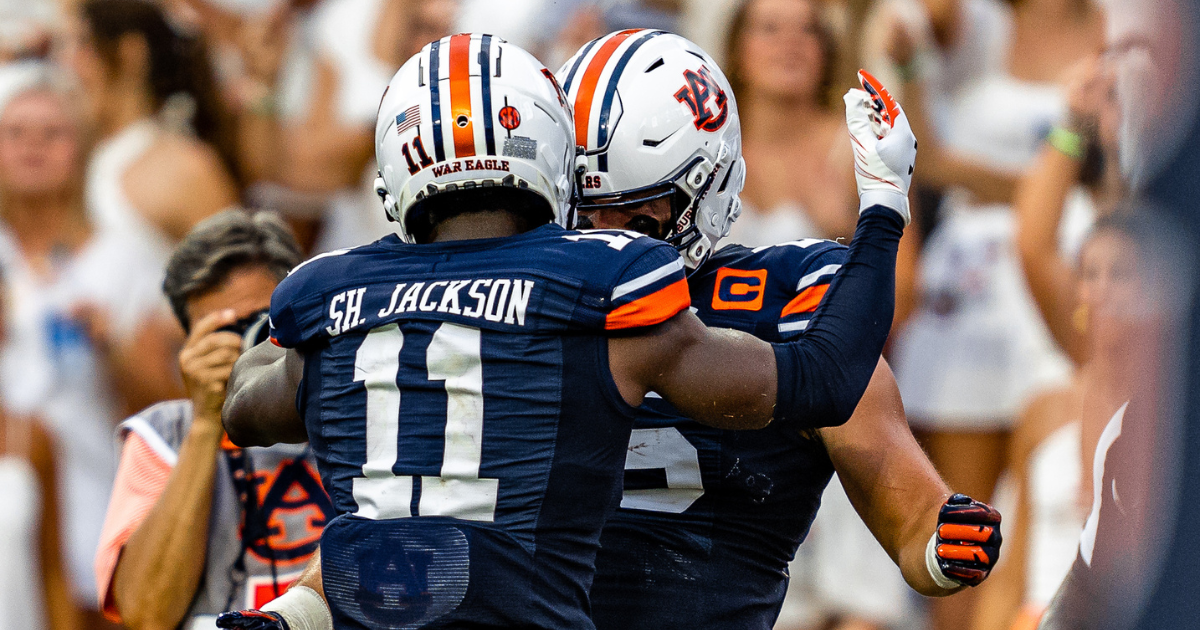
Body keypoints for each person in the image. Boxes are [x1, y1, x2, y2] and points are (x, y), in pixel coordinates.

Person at [217, 33, 913, 630]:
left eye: (634, 213)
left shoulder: (330, 287)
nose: (611, 230)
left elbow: (247, 411)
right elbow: (821, 379)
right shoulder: (602, 287)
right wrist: (882, 210)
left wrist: (294, 329)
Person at [557, 31, 1001, 630]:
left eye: (637, 212)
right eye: (586, 212)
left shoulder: (789, 296)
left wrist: (937, 537)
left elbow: (907, 507)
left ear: (705, 188)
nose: (606, 235)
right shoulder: (526, 295)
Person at [93, 211, 334, 630]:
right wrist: (206, 423)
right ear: (190, 343)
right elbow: (146, 613)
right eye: (223, 331)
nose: (246, 346)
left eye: (260, 323)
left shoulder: (346, 404)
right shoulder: (163, 434)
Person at [0, 61, 176, 622]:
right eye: (15, 133)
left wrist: (111, 347)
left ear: (83, 149)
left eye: (53, 133)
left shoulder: (124, 259)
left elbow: (167, 407)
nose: (33, 147)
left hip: (96, 514)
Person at [66, 0, 240, 264]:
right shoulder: (73, 154)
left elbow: (238, 282)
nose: (69, 61)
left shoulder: (184, 167)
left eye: (83, 44)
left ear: (130, 51)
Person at [721, 0, 859, 246]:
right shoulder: (706, 143)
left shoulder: (861, 148)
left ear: (825, 50)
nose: (790, 41)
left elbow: (902, 281)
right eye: (770, 28)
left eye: (807, 29)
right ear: (737, 48)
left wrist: (848, 235)